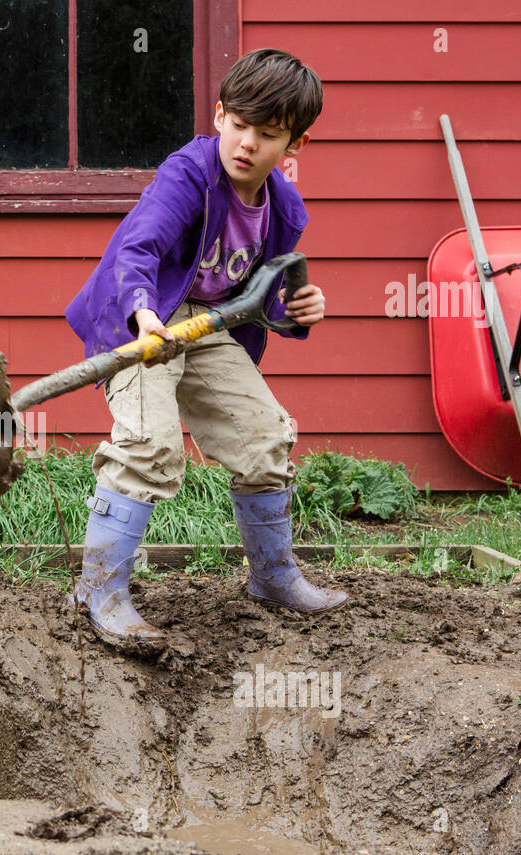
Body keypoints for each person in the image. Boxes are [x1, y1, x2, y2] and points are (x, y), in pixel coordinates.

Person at [64, 48, 347, 656]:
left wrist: (299, 311)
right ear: (219, 115)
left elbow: (258, 298)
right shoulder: (188, 174)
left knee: (266, 434)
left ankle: (272, 577)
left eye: (268, 134)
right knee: (151, 445)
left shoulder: (285, 209)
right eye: (239, 124)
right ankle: (98, 589)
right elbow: (137, 248)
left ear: (293, 144)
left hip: (209, 326)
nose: (247, 143)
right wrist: (143, 313)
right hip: (142, 319)